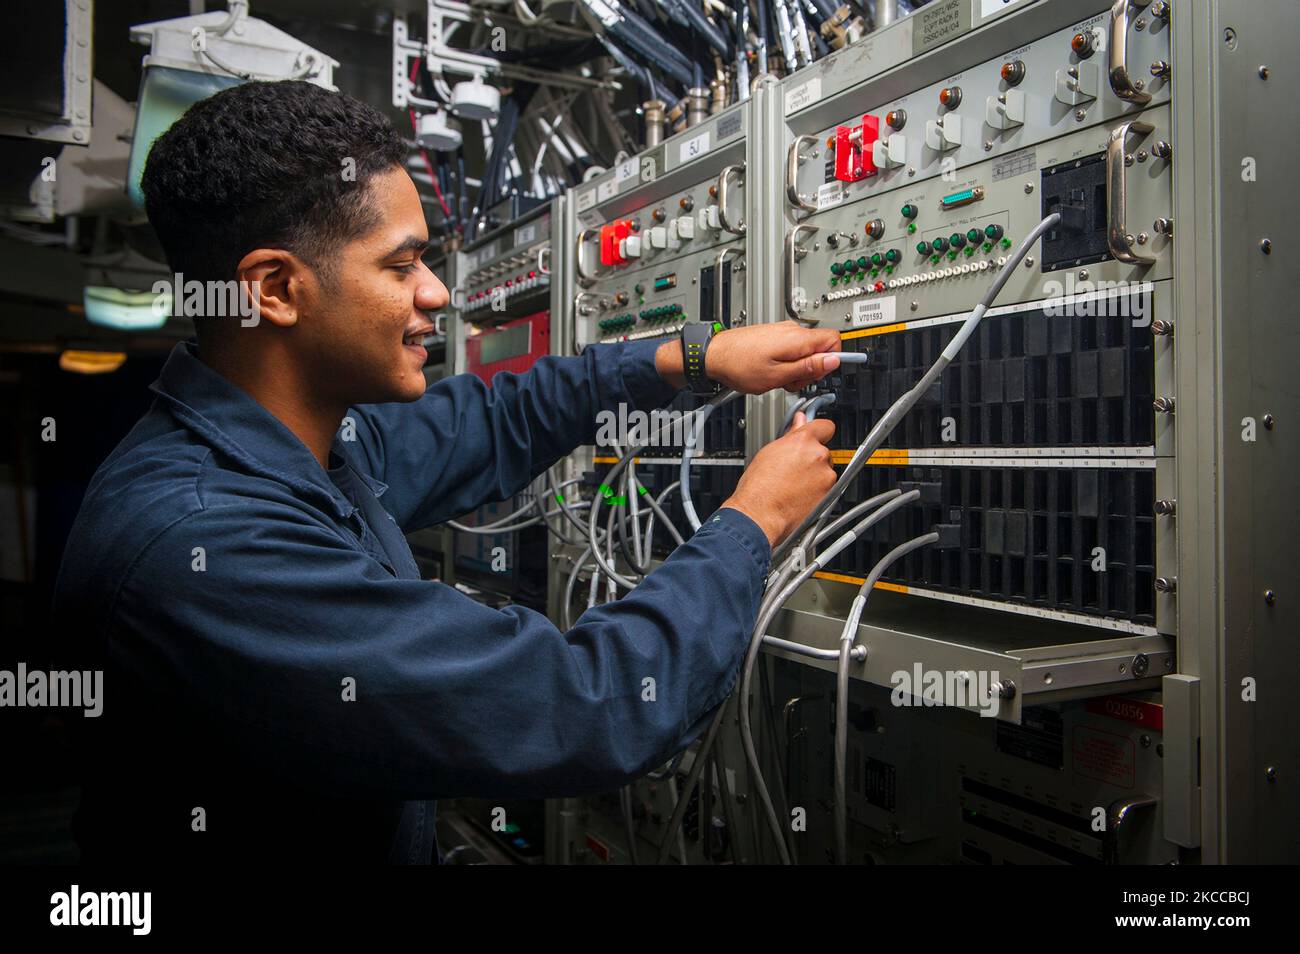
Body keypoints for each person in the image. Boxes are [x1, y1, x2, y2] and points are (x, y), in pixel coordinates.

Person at [54, 80, 841, 863]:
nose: (435, 291)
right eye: (402, 266)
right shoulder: (208, 543)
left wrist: (687, 357)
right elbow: (587, 705)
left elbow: (492, 420)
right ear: (276, 290)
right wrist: (752, 521)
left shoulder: (304, 444)